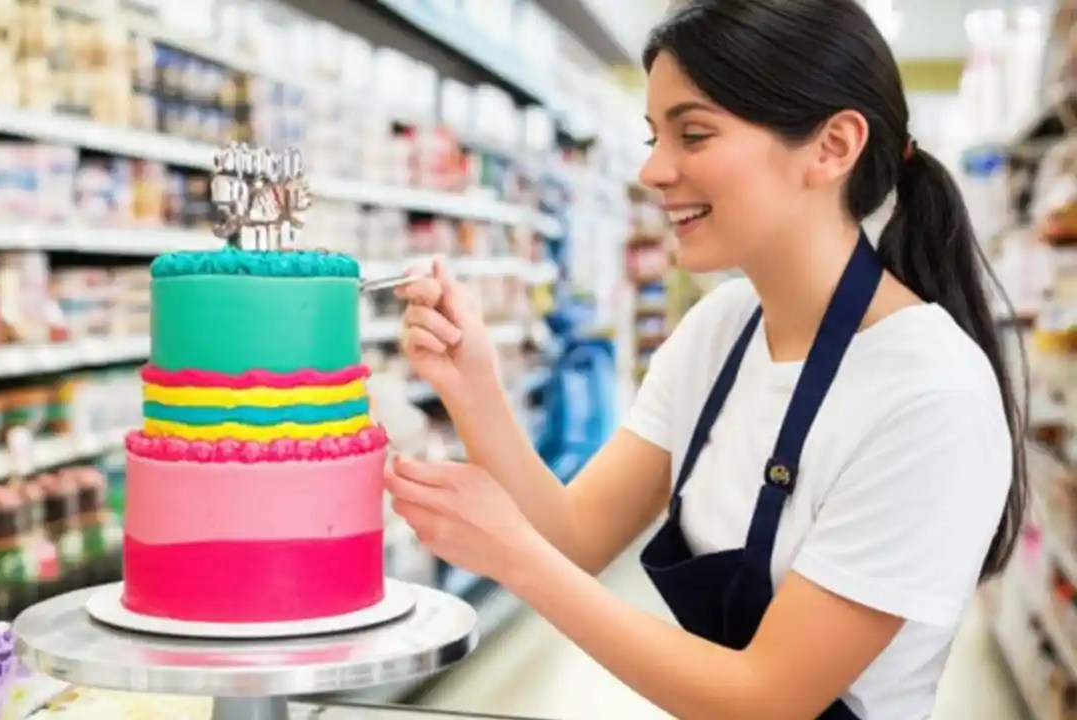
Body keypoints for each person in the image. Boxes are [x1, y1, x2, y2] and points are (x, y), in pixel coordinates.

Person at [386, 1, 1028, 718]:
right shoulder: (719, 330)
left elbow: (768, 698)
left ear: (833, 145)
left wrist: (512, 556)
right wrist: (472, 384)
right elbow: (573, 538)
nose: (653, 170)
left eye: (693, 133)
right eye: (654, 135)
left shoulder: (930, 396)